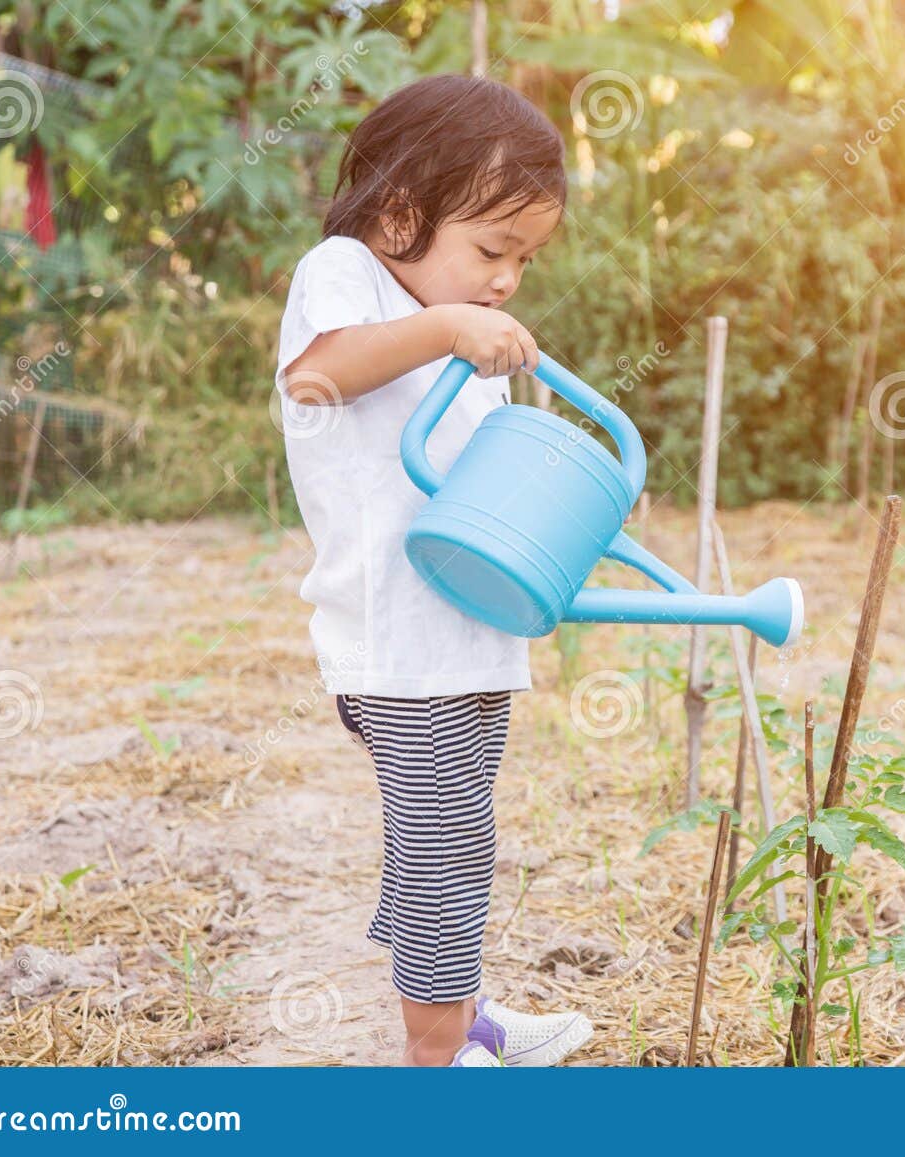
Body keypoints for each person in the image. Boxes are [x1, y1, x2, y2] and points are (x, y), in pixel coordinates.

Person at [275, 74, 590, 1068]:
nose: (505, 281)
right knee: (446, 847)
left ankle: (471, 1016)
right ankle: (436, 1058)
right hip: (398, 643)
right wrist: (449, 327)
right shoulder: (348, 275)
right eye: (492, 250)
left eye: (523, 261)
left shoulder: (439, 318)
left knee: (452, 839)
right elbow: (316, 374)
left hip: (464, 632)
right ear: (401, 214)